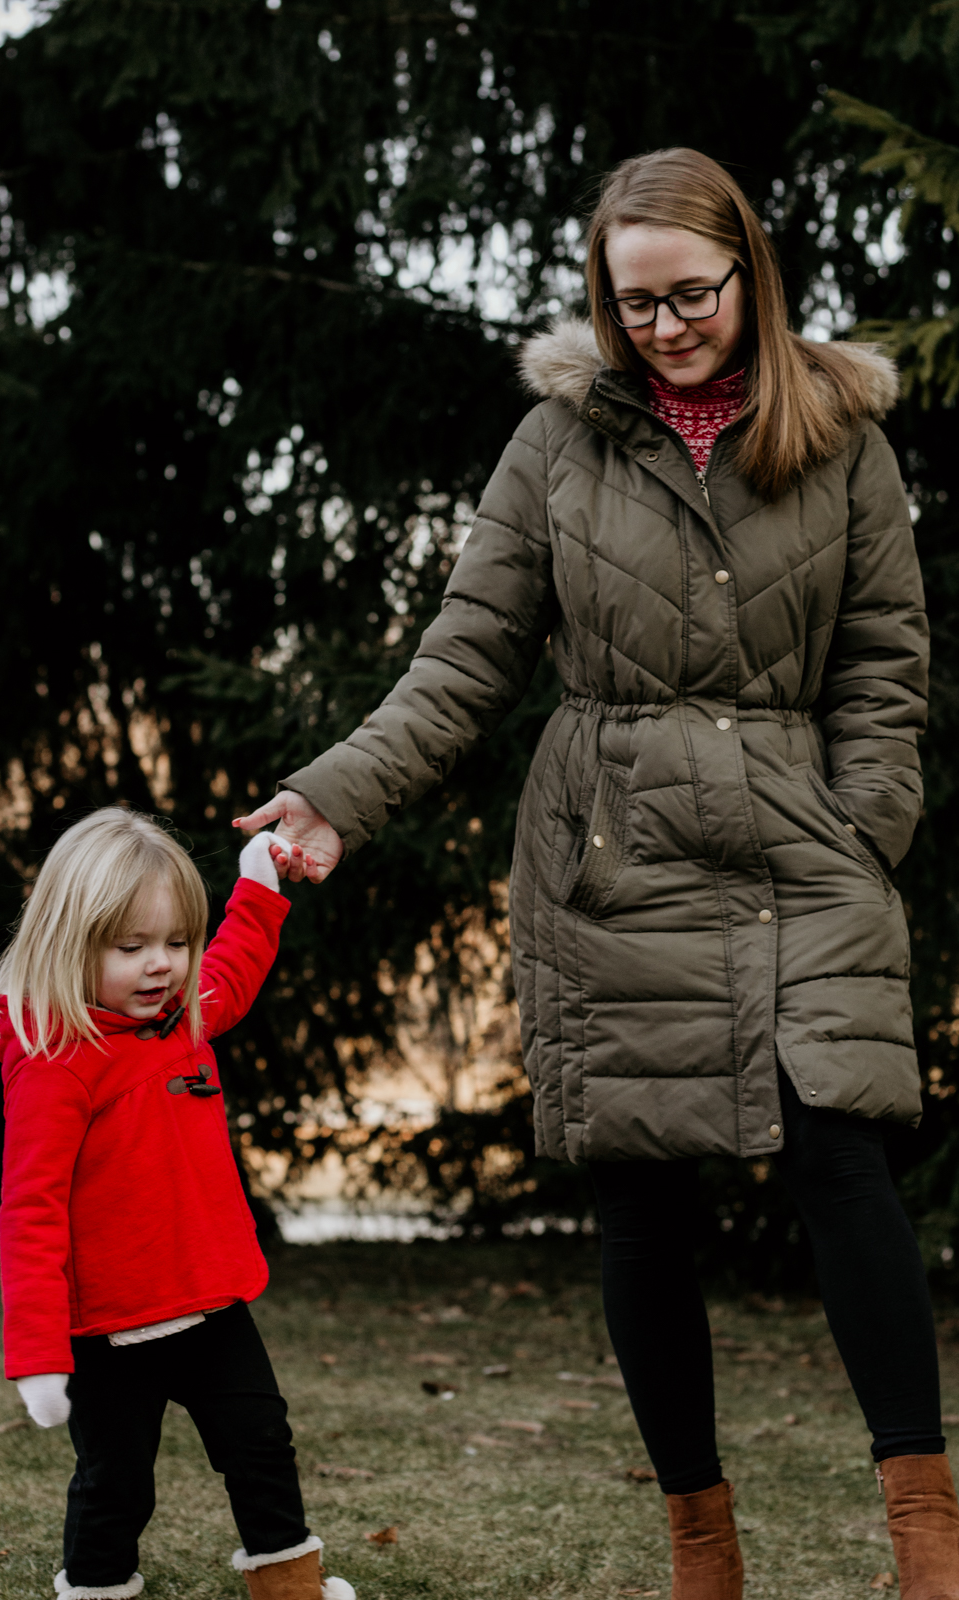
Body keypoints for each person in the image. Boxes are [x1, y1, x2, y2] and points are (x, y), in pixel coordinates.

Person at [237, 148, 956, 1599]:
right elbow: (464, 657)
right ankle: (700, 1548)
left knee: (838, 1152)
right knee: (639, 1196)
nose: (664, 327)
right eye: (634, 304)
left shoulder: (840, 437)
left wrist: (860, 823)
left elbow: (883, 667)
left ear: (748, 273)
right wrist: (333, 795)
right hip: (611, 847)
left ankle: (928, 1542)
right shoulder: (556, 442)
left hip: (797, 840)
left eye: (690, 294)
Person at [0, 807, 353, 1600]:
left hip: (212, 1306)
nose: (162, 966)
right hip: (108, 1331)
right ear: (70, 943)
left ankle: (292, 1589)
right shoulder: (53, 1066)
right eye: (131, 947)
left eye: (177, 942)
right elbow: (30, 1210)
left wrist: (257, 886)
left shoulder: (183, 1019)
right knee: (116, 1484)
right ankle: (97, 1590)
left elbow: (233, 971)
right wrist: (37, 1355)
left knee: (261, 1447)